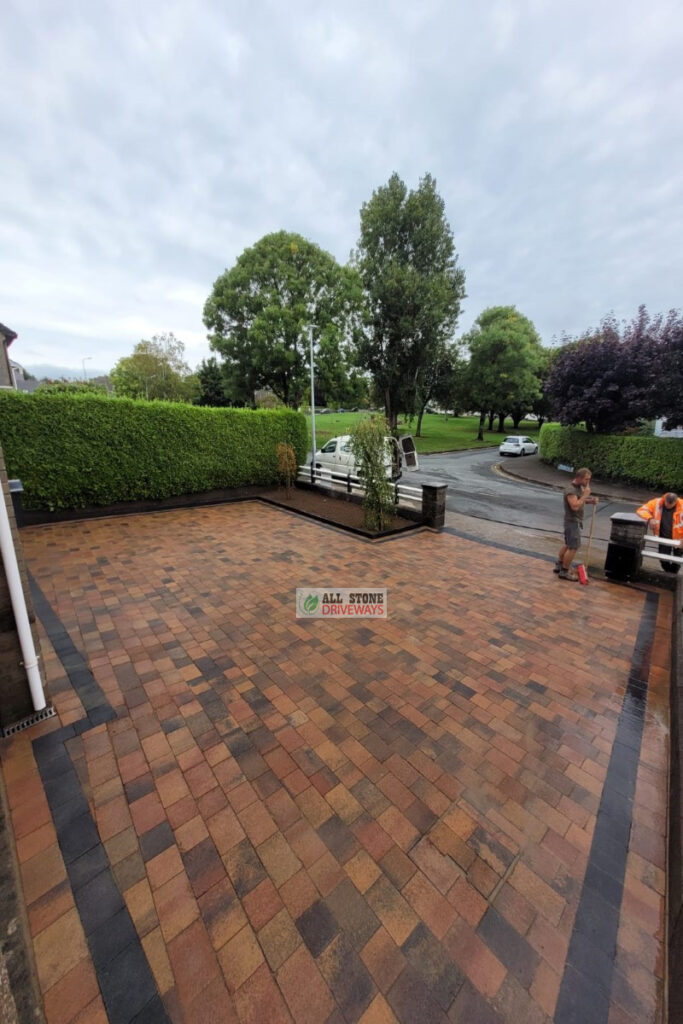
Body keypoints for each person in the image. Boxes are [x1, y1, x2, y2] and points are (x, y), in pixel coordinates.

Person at [554, 468, 599, 581]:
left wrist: (590, 500)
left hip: (574, 521)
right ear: (579, 478)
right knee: (573, 547)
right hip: (572, 521)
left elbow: (580, 500)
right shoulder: (571, 490)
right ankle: (564, 571)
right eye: (586, 479)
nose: (588, 482)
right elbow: (574, 506)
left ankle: (559, 564)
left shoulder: (578, 488)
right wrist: (586, 494)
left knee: (568, 544)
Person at [636, 492, 683, 574]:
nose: (667, 507)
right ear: (664, 500)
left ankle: (672, 574)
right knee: (663, 558)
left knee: (677, 559)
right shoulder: (656, 503)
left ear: (675, 502)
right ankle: (669, 573)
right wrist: (650, 518)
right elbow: (641, 510)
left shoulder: (682, 505)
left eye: (670, 506)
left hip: (679, 538)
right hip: (664, 537)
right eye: (666, 504)